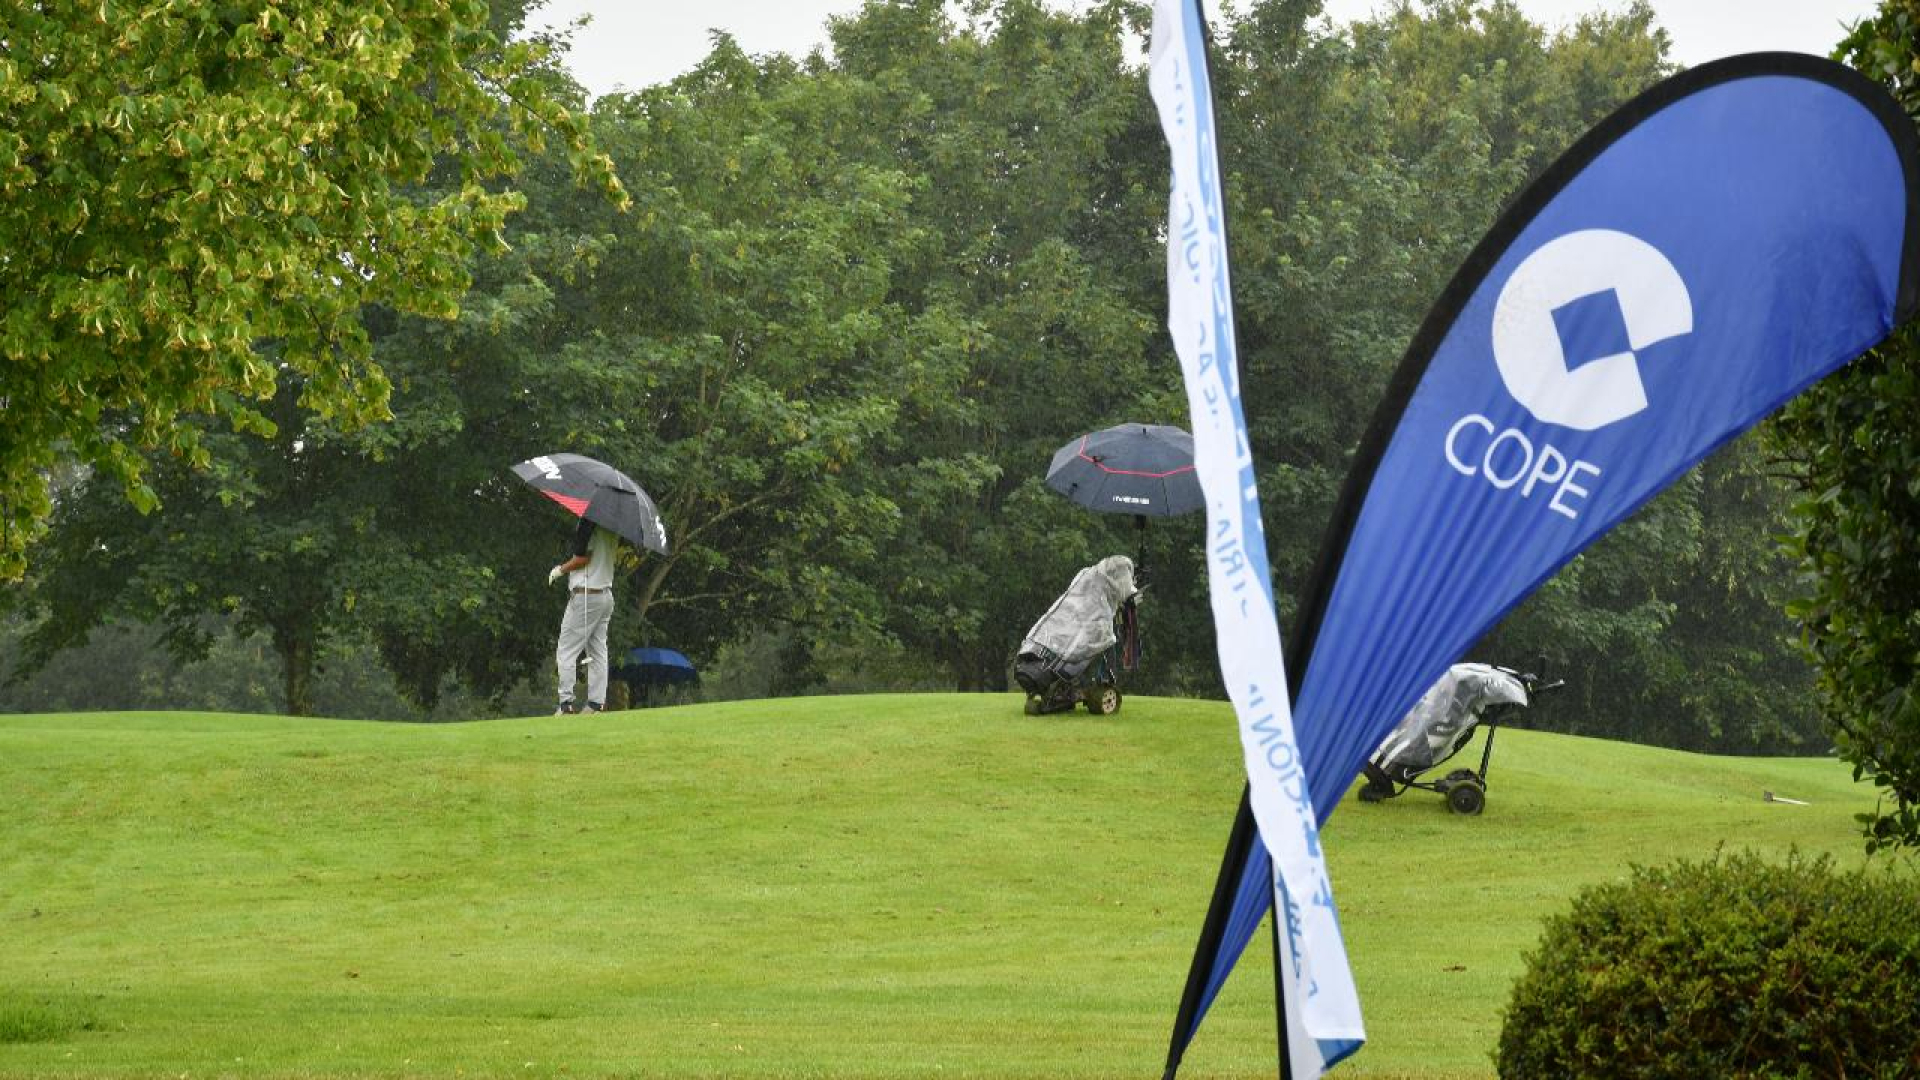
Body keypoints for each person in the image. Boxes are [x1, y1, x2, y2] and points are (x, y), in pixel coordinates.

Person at [548, 515, 619, 714]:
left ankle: (565, 704)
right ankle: (596, 704)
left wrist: (559, 570)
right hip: (605, 596)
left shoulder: (589, 524)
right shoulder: (612, 527)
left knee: (566, 650)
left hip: (586, 596)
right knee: (598, 651)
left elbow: (582, 558)